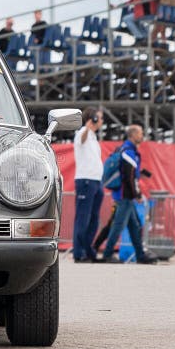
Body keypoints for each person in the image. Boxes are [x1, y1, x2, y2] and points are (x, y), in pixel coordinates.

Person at [100, 124, 157, 264]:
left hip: (126, 196)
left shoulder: (126, 150)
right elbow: (129, 177)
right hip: (124, 196)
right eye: (140, 133)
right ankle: (107, 254)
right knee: (118, 225)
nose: (142, 136)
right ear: (133, 135)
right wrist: (137, 194)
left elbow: (129, 174)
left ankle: (140, 255)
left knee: (134, 226)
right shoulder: (129, 152)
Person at [72, 108, 104, 262]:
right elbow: (81, 139)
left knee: (94, 220)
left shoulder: (94, 137)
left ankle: (88, 250)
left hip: (96, 181)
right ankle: (79, 253)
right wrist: (87, 126)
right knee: (83, 218)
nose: (102, 121)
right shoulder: (82, 133)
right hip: (85, 181)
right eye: (100, 118)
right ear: (93, 119)